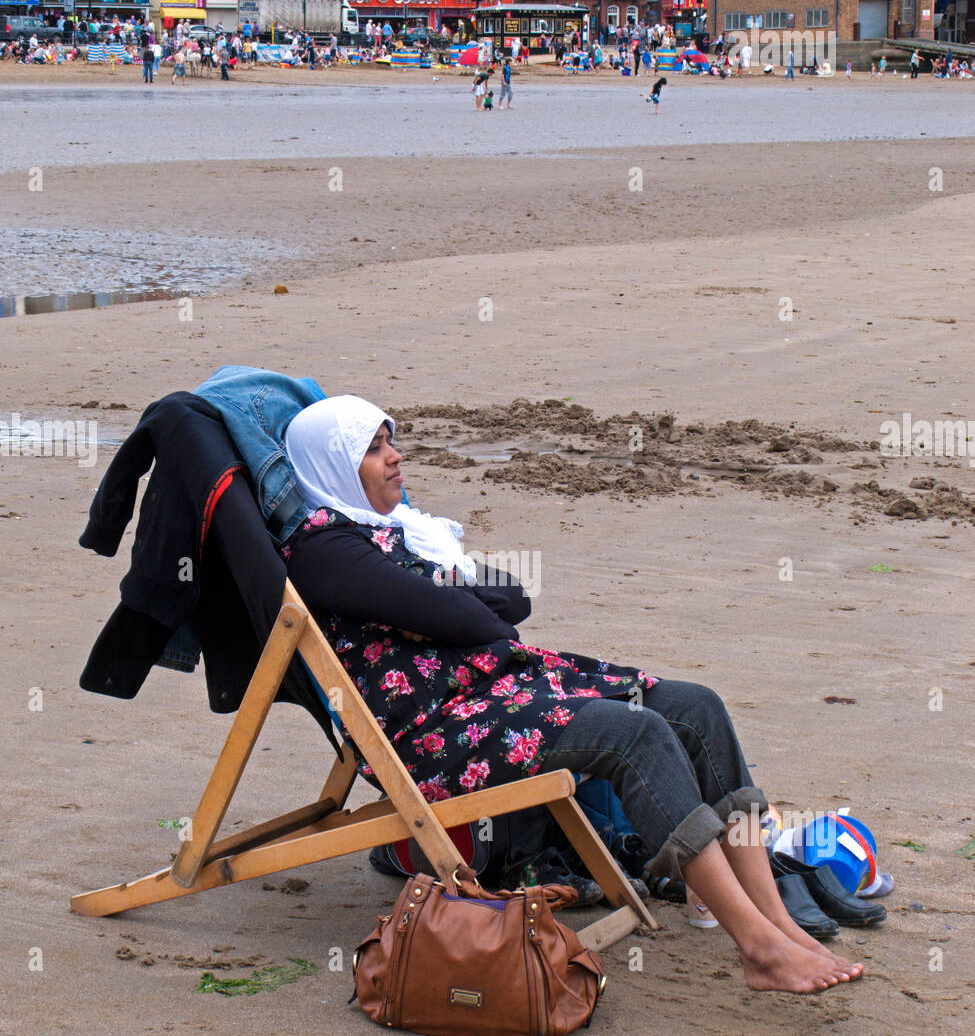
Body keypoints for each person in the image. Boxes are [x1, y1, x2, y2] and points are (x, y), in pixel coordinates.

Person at [280, 396, 864, 995]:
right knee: (636, 734)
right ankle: (759, 948)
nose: (395, 457)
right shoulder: (324, 549)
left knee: (696, 706)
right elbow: (477, 616)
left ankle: (775, 918)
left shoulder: (399, 530)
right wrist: (462, 603)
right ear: (329, 466)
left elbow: (510, 599)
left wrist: (461, 603)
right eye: (373, 450)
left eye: (389, 442)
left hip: (501, 689)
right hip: (441, 733)